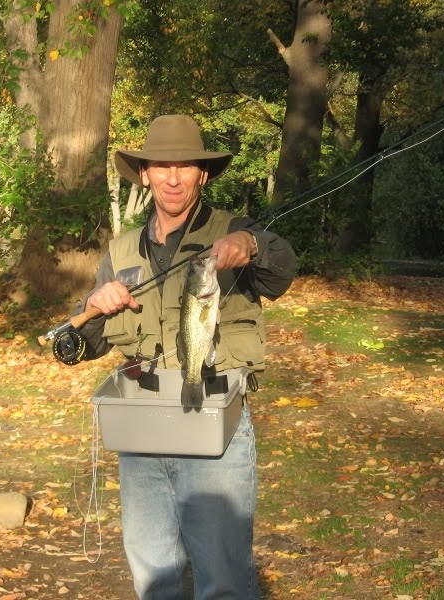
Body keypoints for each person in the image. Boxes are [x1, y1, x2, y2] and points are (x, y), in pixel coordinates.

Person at [78, 114, 296, 599]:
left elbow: (281, 271)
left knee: (224, 577)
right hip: (142, 429)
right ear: (144, 175)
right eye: (161, 167)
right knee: (154, 574)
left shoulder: (233, 231)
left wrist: (253, 246)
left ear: (202, 174)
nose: (172, 178)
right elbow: (85, 343)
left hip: (214, 425)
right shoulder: (120, 250)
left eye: (185, 167)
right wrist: (93, 308)